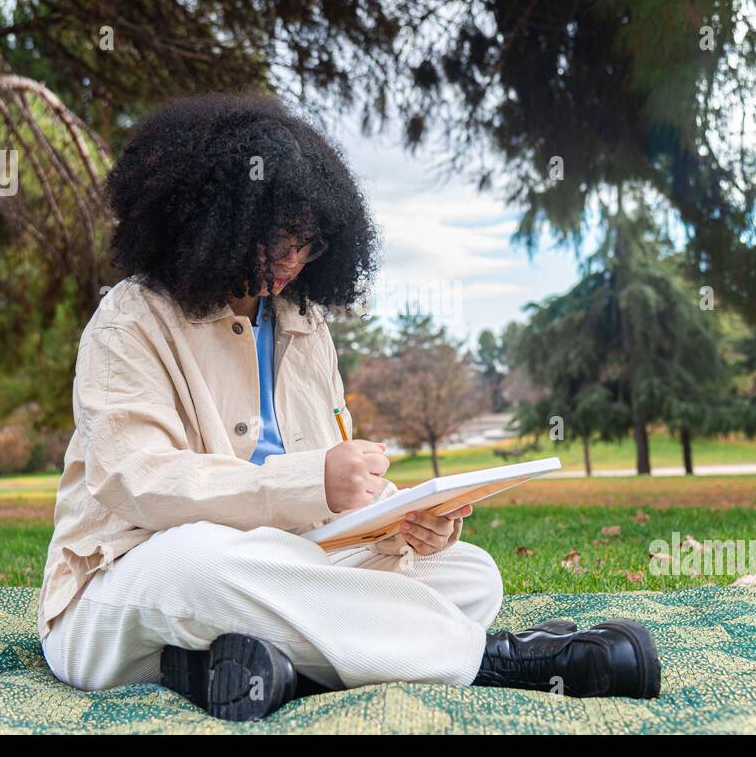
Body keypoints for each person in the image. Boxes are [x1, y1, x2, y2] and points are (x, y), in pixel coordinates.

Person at [38, 92, 662, 721]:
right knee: (198, 557)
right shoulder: (130, 320)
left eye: (309, 243)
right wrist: (314, 482)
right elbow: (136, 481)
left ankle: (243, 669)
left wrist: (406, 526)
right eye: (279, 238)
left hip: (282, 569)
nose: (293, 261)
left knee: (470, 573)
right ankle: (498, 658)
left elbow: (338, 494)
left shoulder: (306, 327)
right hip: (129, 583)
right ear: (216, 217)